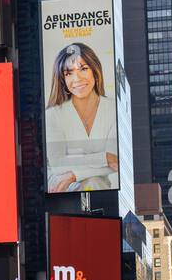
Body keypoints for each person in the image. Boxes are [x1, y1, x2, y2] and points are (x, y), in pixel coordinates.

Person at [45, 42, 119, 192]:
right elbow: (58, 163)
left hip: (97, 186)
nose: (77, 78)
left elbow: (117, 161)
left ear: (95, 71)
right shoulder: (53, 115)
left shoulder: (113, 110)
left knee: (94, 182)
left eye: (83, 69)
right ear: (62, 80)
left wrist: (75, 173)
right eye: (69, 73)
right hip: (60, 187)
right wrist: (104, 158)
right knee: (93, 182)